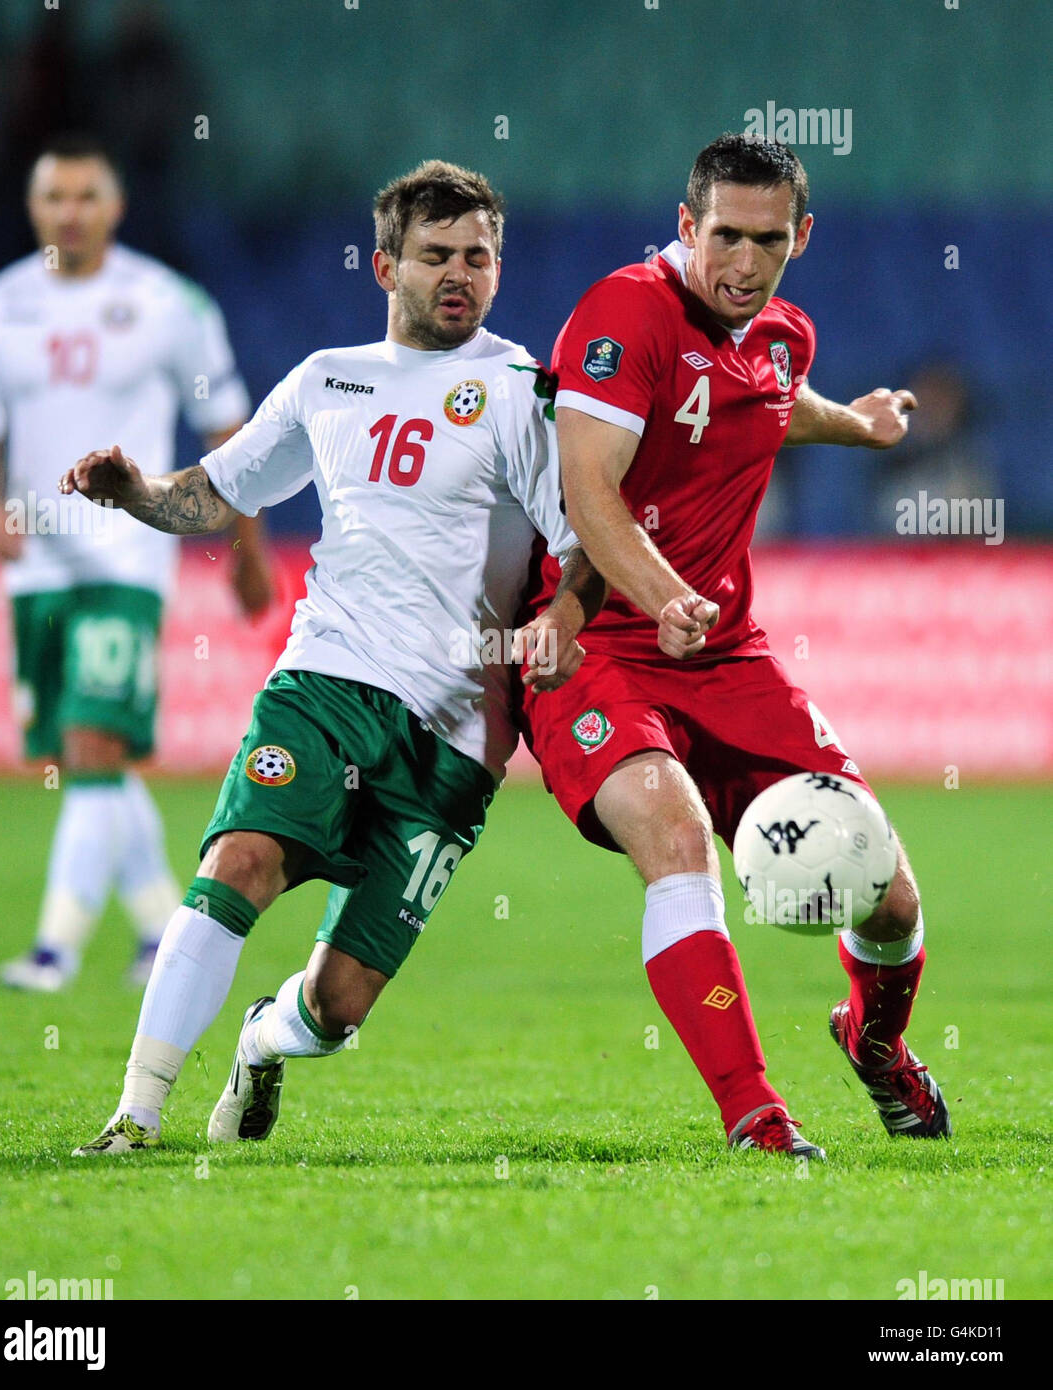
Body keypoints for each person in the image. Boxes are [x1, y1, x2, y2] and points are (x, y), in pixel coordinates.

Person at [66, 160, 600, 1156]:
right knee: (239, 863)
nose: (460, 274)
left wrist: (566, 613)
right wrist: (136, 491)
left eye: (479, 256)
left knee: (338, 1007)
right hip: (324, 683)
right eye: (436, 254)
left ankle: (261, 1045)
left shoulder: (522, 390)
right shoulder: (327, 380)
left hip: (456, 737)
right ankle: (135, 1113)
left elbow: (584, 536)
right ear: (384, 264)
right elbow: (220, 495)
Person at [522, 133, 950, 1159]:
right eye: (723, 236)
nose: (742, 262)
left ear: (800, 237)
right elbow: (590, 488)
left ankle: (876, 1045)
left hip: (728, 656)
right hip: (599, 645)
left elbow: (764, 398)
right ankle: (755, 1115)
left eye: (766, 240)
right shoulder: (624, 315)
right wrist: (664, 595)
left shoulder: (781, 332)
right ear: (685, 226)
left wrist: (859, 426)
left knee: (887, 895)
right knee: (673, 841)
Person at [0, 134, 273, 992]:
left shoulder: (169, 304)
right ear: (33, 208)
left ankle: (55, 950)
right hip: (35, 564)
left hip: (129, 552)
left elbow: (230, 436)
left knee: (91, 743)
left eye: (87, 196)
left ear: (115, 207)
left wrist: (246, 547)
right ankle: (160, 929)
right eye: (55, 197)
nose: (70, 211)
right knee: (86, 751)